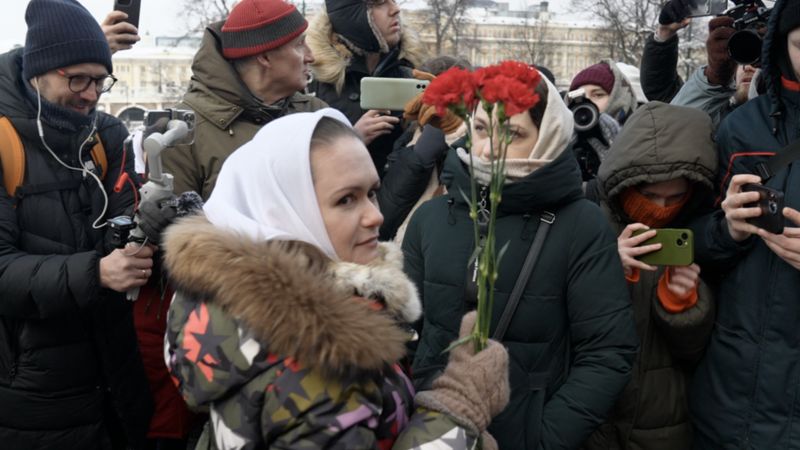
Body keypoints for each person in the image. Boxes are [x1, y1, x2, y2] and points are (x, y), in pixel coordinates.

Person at [162, 108, 510, 449]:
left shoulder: (231, 310)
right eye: (346, 199)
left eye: (372, 192)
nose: (375, 215)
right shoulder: (320, 365)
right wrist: (460, 409)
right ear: (282, 212)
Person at [403, 70, 638, 449]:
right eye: (480, 128)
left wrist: (543, 438)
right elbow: (406, 334)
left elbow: (606, 352)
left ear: (547, 137)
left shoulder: (581, 224)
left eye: (512, 134)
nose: (488, 149)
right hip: (433, 433)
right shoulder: (431, 218)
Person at [0, 0, 153, 448]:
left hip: (113, 379)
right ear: (38, 73)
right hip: (29, 398)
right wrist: (97, 272)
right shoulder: (4, 142)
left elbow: (126, 222)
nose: (90, 94)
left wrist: (155, 231)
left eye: (100, 80)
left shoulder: (104, 137)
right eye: (77, 79)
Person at [688, 2, 800, 447]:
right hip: (731, 397)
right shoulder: (740, 128)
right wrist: (726, 230)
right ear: (782, 45)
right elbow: (686, 242)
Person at [584, 102, 717, 449]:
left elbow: (694, 353)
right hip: (591, 418)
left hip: (663, 423)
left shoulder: (691, 235)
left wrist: (682, 305)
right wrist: (608, 272)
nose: (661, 208)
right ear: (625, 184)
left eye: (675, 197)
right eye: (650, 195)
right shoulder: (587, 227)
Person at [161, 0, 327, 199]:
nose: (311, 57)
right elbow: (179, 228)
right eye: (300, 45)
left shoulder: (316, 114)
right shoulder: (183, 131)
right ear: (265, 57)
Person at [307, 0, 424, 176]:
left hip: (399, 197)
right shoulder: (312, 82)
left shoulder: (413, 75)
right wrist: (354, 138)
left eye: (393, 1)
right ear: (352, 15)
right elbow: (300, 163)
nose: (395, 9)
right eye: (380, 4)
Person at [569, 60, 638, 125]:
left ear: (618, 98)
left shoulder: (642, 133)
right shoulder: (563, 135)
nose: (586, 102)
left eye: (598, 95)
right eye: (579, 97)